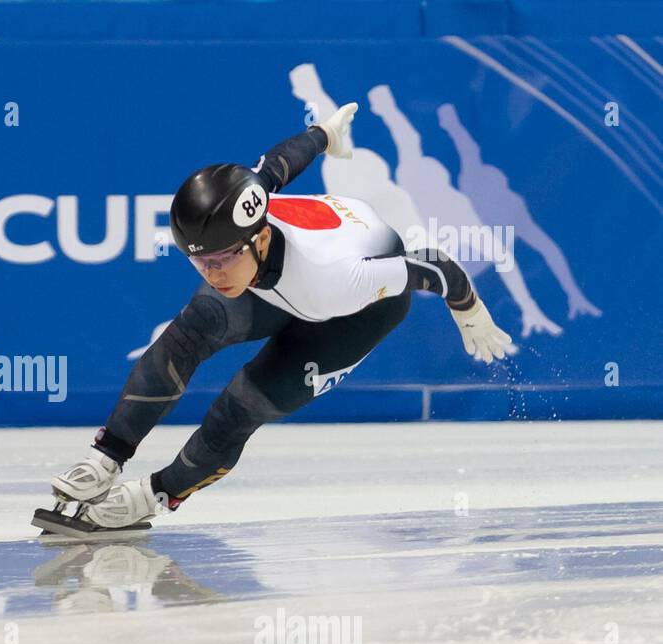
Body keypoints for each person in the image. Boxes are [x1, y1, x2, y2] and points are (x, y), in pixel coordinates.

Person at [50, 104, 516, 529]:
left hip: (359, 307)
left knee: (242, 406)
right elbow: (276, 165)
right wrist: (323, 133)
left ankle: (157, 494)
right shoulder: (243, 214)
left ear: (260, 238)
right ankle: (107, 457)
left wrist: (468, 309)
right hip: (283, 276)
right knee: (187, 334)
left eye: (222, 258)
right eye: (201, 261)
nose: (213, 273)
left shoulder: (336, 278)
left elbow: (433, 263)